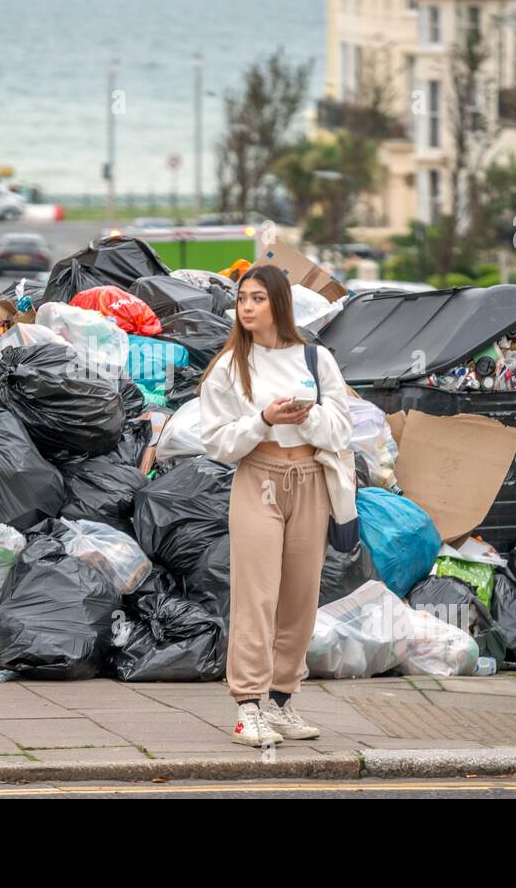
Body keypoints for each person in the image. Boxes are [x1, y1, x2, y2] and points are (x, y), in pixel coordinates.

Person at [198, 264, 354, 747]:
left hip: (311, 480)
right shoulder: (229, 366)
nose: (246, 307)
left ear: (279, 304)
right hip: (259, 479)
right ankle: (248, 707)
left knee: (301, 597)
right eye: (242, 298)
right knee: (257, 594)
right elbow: (217, 443)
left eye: (258, 298)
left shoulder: (315, 358)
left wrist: (306, 419)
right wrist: (264, 420)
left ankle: (282, 701)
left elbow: (343, 430)